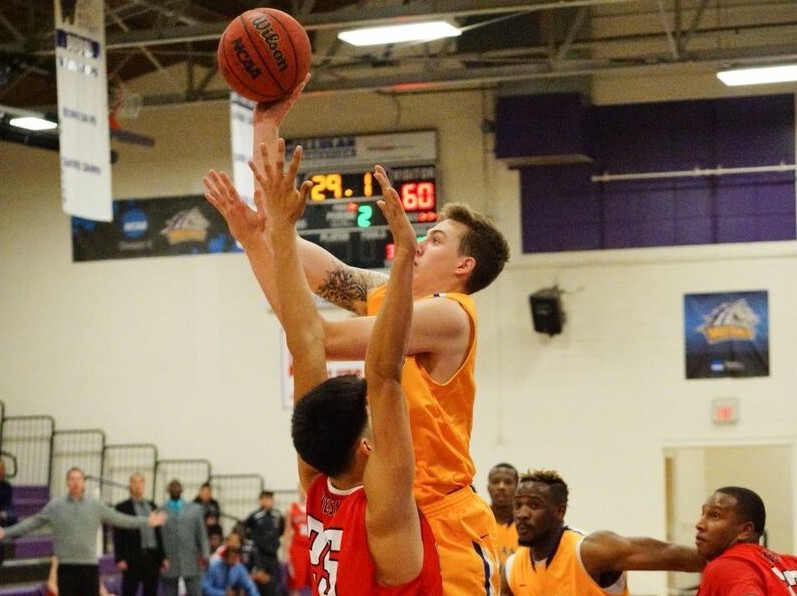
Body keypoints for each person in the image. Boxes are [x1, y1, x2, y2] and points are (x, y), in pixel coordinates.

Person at [204, 78, 510, 594]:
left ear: (464, 265)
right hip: (380, 510)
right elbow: (305, 274)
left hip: (439, 521)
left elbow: (316, 337)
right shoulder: (393, 297)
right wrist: (265, 131)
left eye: (434, 239)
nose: (420, 242)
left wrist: (267, 237)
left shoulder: (451, 315)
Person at [205, 138, 443, 593]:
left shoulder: (316, 486)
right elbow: (386, 374)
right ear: (365, 449)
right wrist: (405, 260)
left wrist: (276, 233)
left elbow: (306, 339)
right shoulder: (383, 514)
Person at [502, 469, 705, 595]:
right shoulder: (512, 567)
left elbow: (670, 555)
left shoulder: (591, 550)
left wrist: (729, 564)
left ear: (559, 511)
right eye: (518, 505)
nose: (522, 514)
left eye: (534, 505)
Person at [0, 466, 165, 596]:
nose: (75, 482)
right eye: (71, 479)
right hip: (66, 567)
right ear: (67, 482)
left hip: (89, 567)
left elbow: (121, 519)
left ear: (84, 481)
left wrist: (146, 521)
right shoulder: (56, 505)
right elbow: (32, 522)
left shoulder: (95, 505)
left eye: (78, 479)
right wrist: (6, 532)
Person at [695, 486, 797, 595]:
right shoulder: (790, 563)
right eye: (703, 514)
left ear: (745, 531)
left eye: (715, 516)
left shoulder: (728, 566)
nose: (699, 525)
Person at [113, 472, 166, 596]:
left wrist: (162, 557)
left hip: (151, 557)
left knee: (151, 590)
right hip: (132, 557)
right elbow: (118, 534)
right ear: (130, 485)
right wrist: (119, 558)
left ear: (144, 485)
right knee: (129, 590)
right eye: (135, 482)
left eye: (140, 482)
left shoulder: (152, 506)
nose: (138, 485)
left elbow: (158, 534)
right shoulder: (122, 507)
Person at [160, 478, 209, 596]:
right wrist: (160, 558)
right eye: (172, 487)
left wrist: (205, 554)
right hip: (170, 559)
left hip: (191, 558)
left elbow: (201, 533)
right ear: (168, 490)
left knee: (194, 590)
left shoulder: (194, 509)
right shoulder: (161, 510)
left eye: (177, 487)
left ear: (182, 490)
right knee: (169, 591)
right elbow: (159, 537)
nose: (175, 489)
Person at [242, 490, 285, 596]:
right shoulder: (255, 516)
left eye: (270, 499)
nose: (268, 501)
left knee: (273, 583)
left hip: (273, 554)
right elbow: (245, 529)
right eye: (265, 499)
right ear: (260, 500)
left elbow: (281, 530)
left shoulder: (278, 515)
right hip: (259, 554)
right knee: (261, 582)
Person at [488, 462, 520, 566]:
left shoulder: (526, 526)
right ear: (488, 487)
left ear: (517, 488)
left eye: (508, 482)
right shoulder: (476, 522)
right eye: (496, 481)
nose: (501, 487)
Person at [283, 485, 311, 596]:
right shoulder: (291, 508)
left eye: (304, 490)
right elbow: (287, 531)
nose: (303, 493)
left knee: (315, 581)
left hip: (311, 547)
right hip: (297, 548)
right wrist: (286, 551)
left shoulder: (314, 506)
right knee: (296, 583)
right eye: (301, 490)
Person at [0, 459, 17, 528]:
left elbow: (7, 503)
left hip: (2, 509)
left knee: (12, 518)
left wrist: (4, 511)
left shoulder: (7, 486)